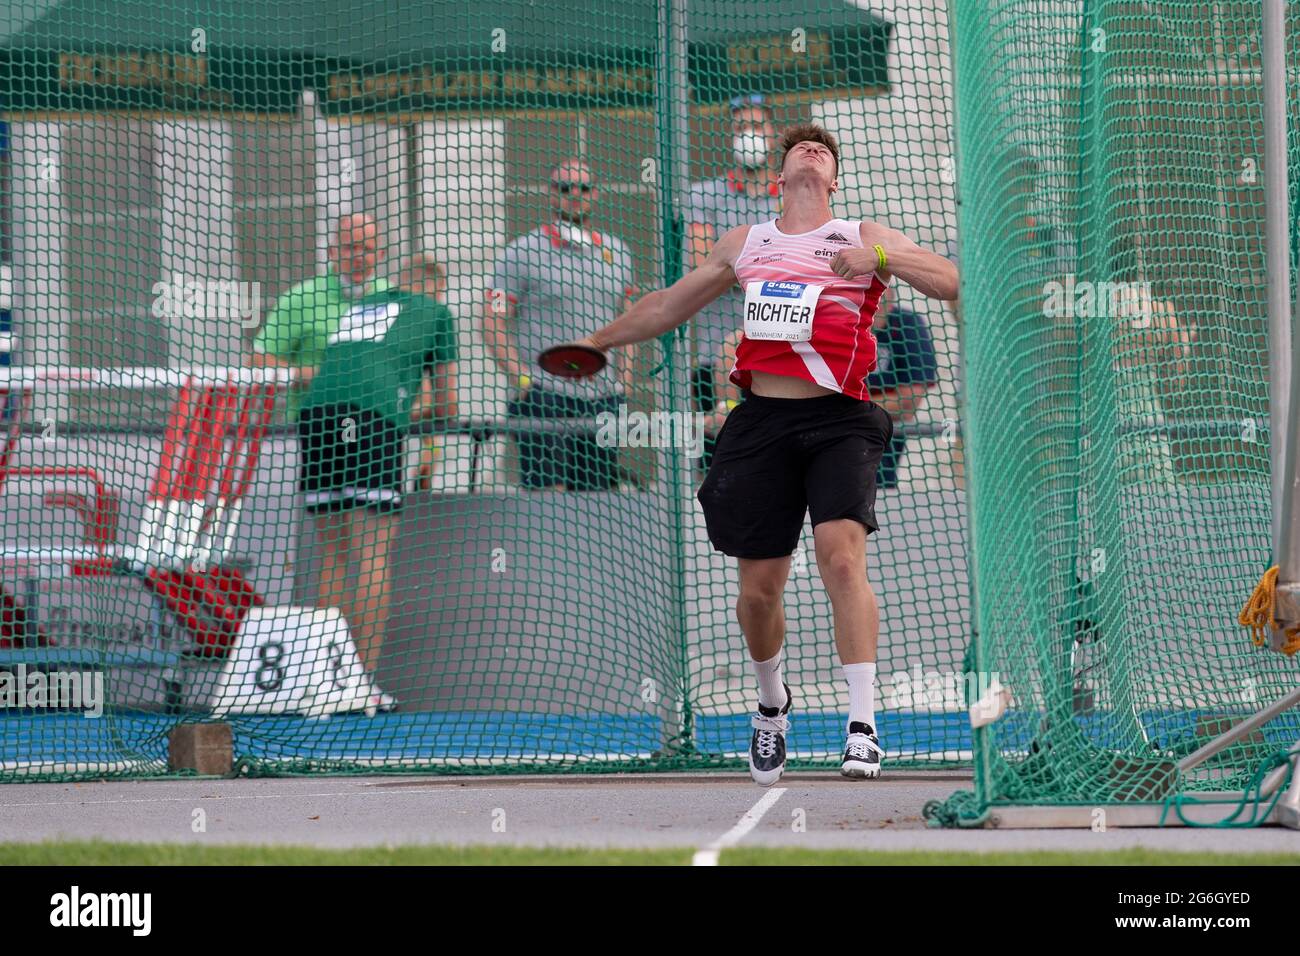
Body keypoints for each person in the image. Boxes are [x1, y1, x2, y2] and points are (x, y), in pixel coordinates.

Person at [566, 124, 960, 783]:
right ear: (779, 178)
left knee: (840, 557)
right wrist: (597, 342)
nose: (812, 152)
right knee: (758, 592)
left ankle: (862, 727)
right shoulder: (748, 242)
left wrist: (883, 263)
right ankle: (771, 702)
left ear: (833, 178)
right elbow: (667, 304)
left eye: (824, 150)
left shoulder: (866, 236)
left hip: (841, 419)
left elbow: (950, 280)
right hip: (761, 423)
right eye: (800, 149)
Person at [484, 159, 638, 491]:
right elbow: (492, 319)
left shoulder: (618, 253)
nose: (575, 195)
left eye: (583, 188)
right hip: (543, 396)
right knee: (548, 502)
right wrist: (522, 379)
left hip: (600, 398)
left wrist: (623, 382)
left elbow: (629, 321)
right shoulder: (520, 253)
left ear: (595, 194)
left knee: (597, 500)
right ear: (550, 194)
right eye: (565, 188)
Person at [684, 93, 784, 469]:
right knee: (720, 477)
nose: (750, 135)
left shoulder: (791, 199)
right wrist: (765, 272)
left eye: (757, 127)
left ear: (773, 136)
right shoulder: (703, 196)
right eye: (741, 128)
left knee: (776, 475)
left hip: (780, 363)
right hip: (714, 366)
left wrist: (738, 271)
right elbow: (703, 263)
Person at [865, 284, 939, 488]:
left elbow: (908, 402)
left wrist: (848, 407)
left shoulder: (907, 325)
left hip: (882, 443)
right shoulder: (839, 324)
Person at [397, 254, 460, 489]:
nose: (439, 300)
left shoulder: (369, 308)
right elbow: (446, 406)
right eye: (437, 293)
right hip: (384, 434)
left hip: (337, 423)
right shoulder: (432, 317)